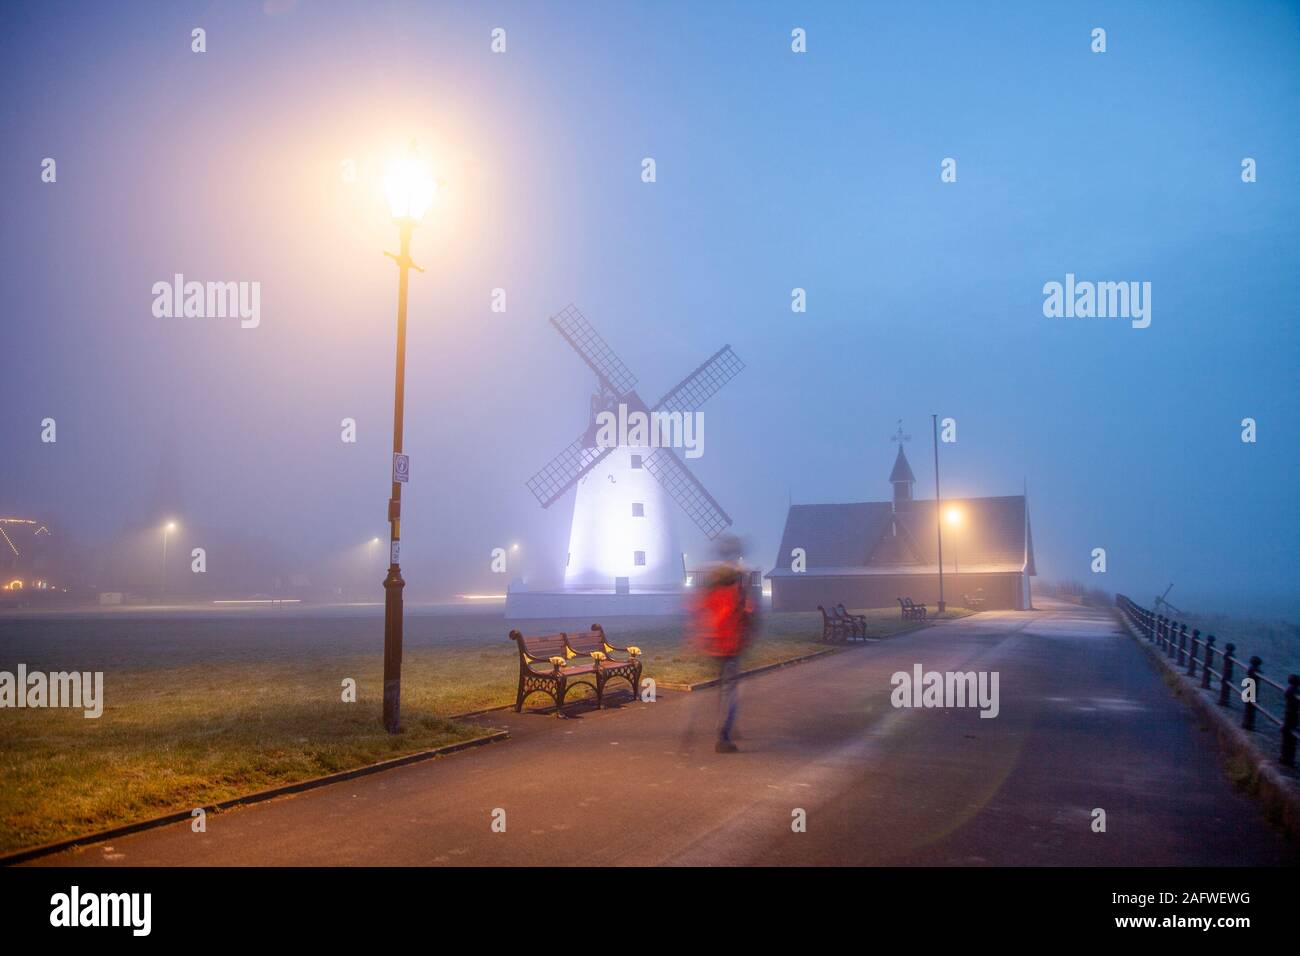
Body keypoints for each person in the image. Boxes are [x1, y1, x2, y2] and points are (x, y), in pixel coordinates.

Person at [692, 534, 755, 753]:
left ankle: (726, 725)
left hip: (714, 644)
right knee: (730, 689)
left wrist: (700, 637)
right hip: (732, 643)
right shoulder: (739, 587)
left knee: (723, 687)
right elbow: (748, 611)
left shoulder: (710, 586)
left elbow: (700, 609)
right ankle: (724, 735)